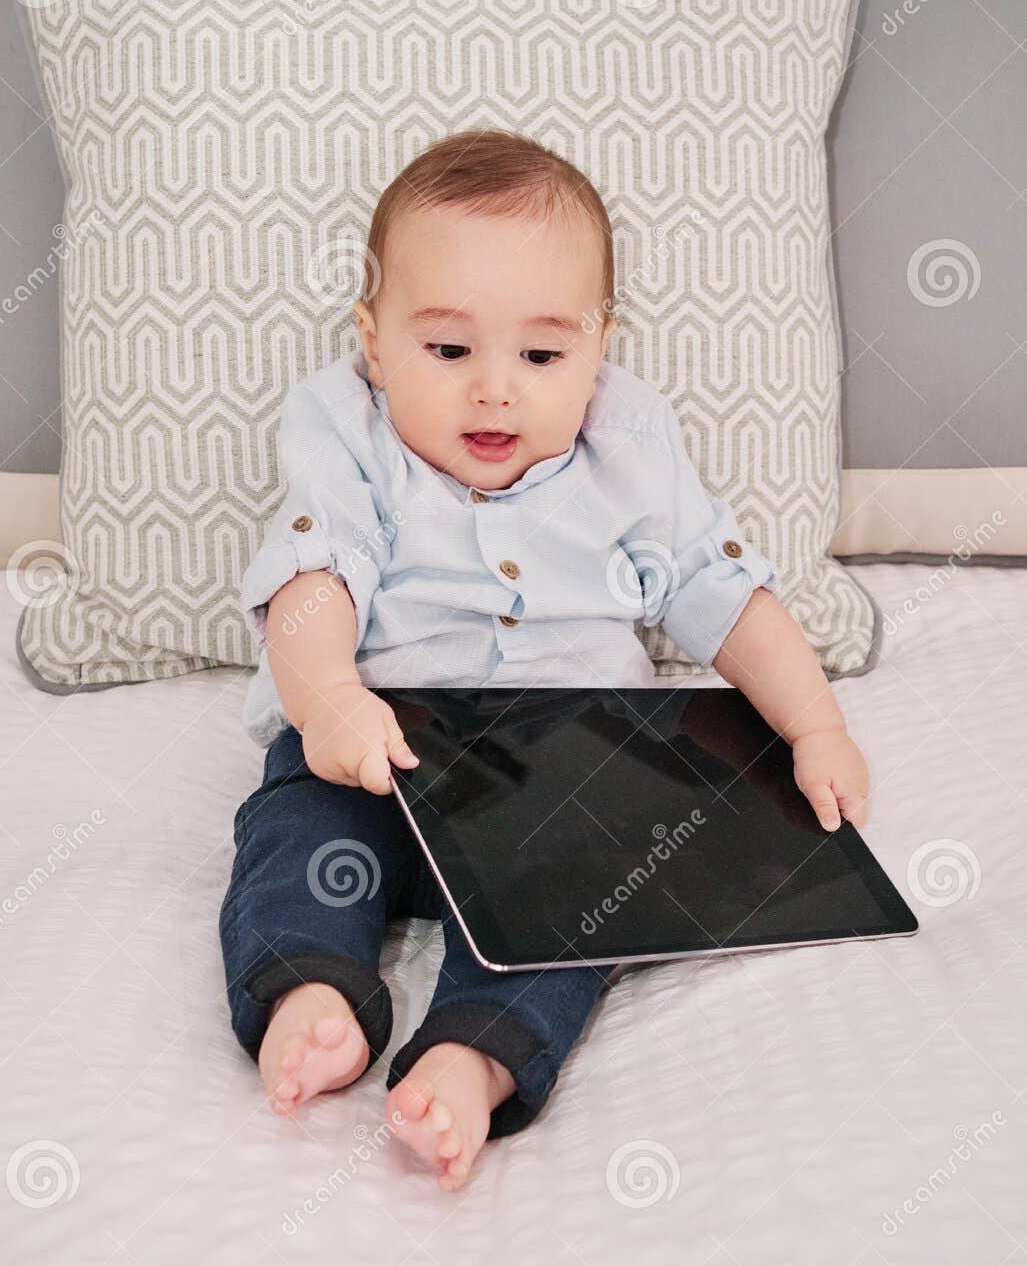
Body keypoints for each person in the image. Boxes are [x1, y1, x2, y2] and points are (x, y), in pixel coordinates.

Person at [218, 128, 869, 1191]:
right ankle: (309, 991)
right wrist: (329, 697)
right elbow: (311, 575)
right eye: (446, 350)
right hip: (381, 742)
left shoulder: (629, 443)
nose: (493, 393)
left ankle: (473, 1054)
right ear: (374, 343)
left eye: (538, 354)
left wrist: (813, 726)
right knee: (295, 833)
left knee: (593, 886)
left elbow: (721, 591)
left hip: (563, 766)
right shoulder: (348, 426)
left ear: (595, 348)